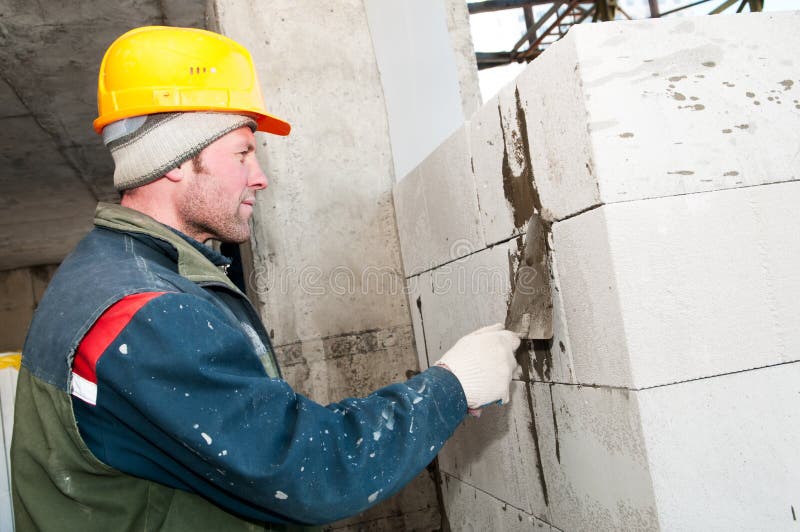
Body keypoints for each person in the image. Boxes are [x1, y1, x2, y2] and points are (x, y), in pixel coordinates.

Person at [10, 26, 520, 530]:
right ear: (174, 161)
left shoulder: (118, 270)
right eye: (242, 152)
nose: (260, 176)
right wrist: (454, 386)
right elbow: (310, 473)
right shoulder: (144, 313)